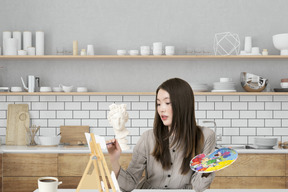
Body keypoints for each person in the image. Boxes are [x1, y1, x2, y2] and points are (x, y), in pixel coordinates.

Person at [106, 78, 216, 192]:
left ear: (183, 104)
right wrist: (114, 160)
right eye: (158, 103)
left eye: (167, 103)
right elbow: (128, 185)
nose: (161, 109)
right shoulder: (147, 138)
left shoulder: (206, 136)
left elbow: (199, 186)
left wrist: (212, 165)